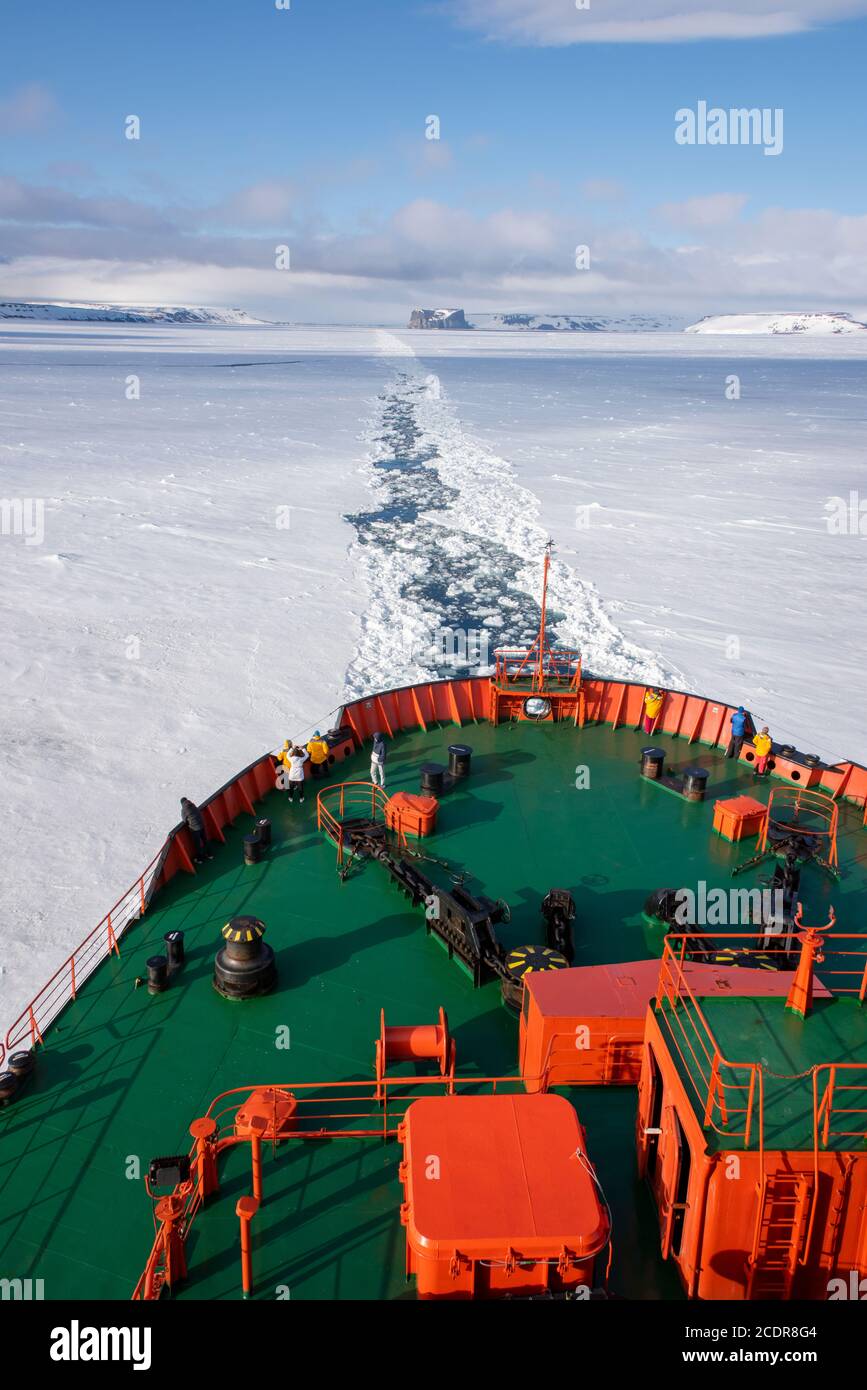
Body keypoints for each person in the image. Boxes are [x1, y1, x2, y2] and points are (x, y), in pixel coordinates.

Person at [180, 797, 211, 863]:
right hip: (201, 826)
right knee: (205, 840)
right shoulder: (193, 805)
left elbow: (184, 820)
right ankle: (209, 854)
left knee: (198, 845)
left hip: (194, 829)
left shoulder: (183, 810)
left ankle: (200, 859)